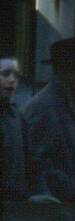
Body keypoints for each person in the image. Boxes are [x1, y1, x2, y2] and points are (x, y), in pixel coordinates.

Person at [21, 38, 75, 203]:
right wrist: (64, 187)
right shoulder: (43, 108)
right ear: (65, 70)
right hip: (57, 215)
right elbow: (36, 164)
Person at [0, 54, 27, 199]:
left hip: (15, 204)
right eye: (5, 74)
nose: (12, 80)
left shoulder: (17, 116)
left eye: (16, 75)